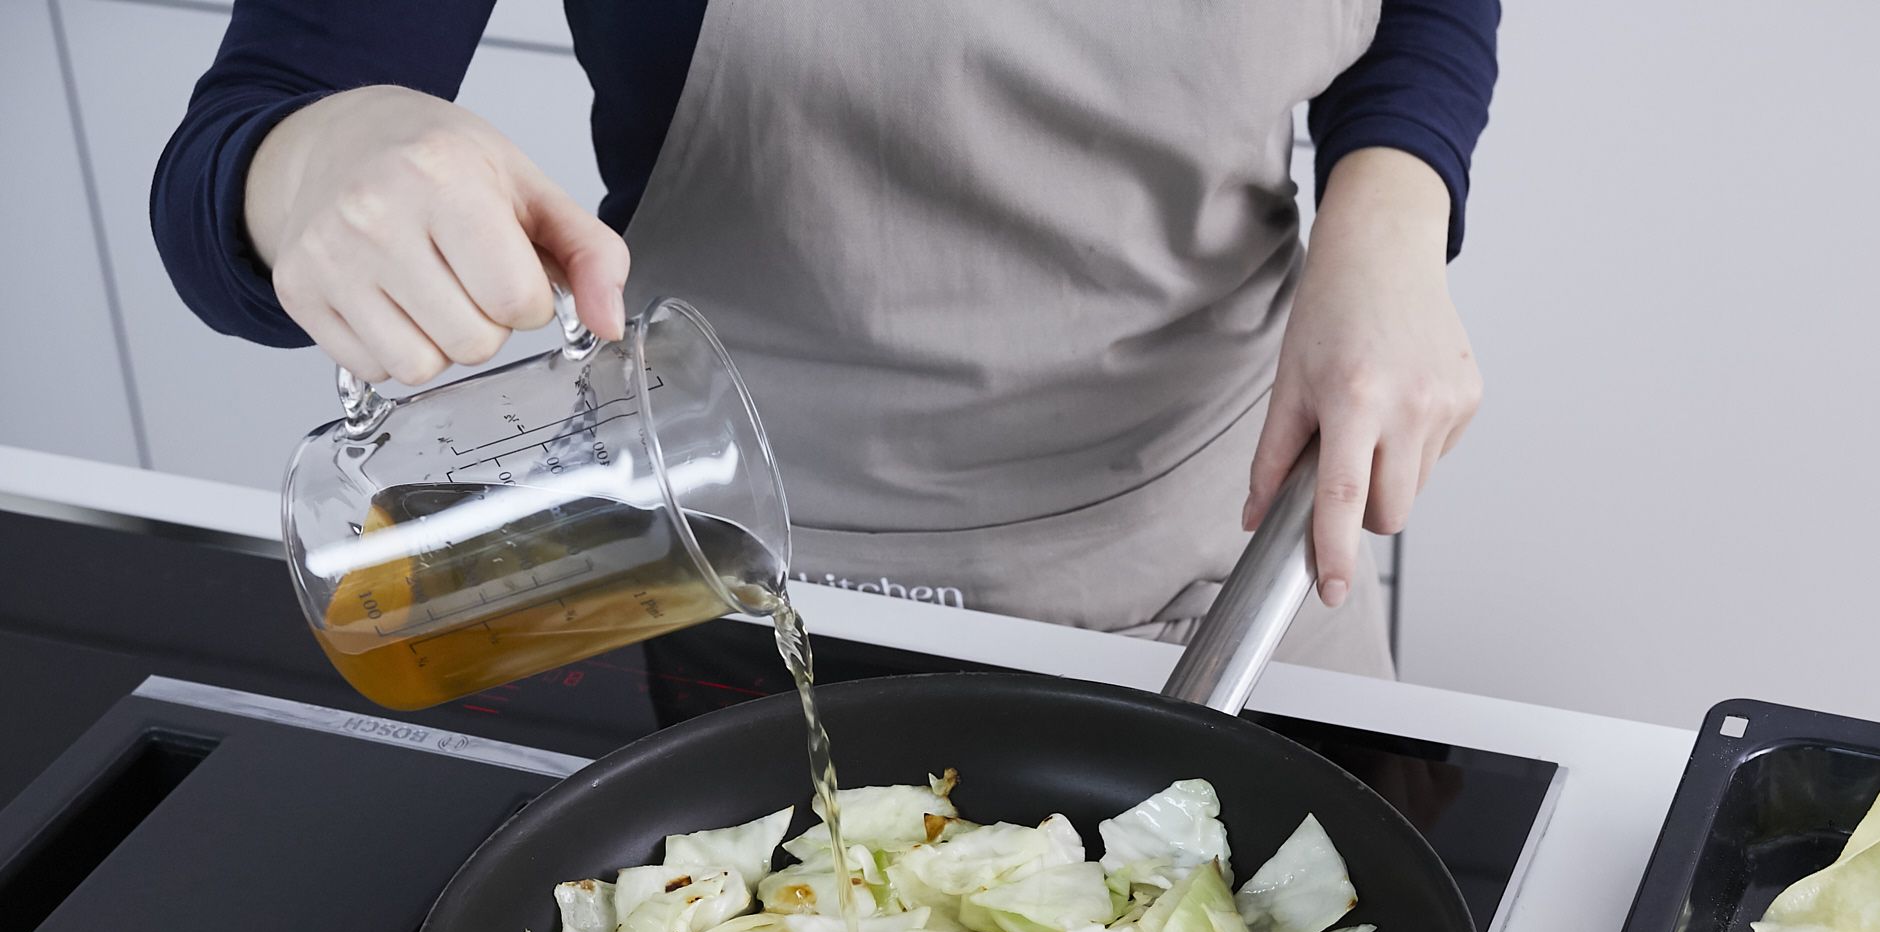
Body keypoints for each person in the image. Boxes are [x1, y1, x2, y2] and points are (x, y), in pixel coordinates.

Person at [155, 2, 1498, 677]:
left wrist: (1391, 208)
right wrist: (315, 157)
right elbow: (252, 128)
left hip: (1227, 540)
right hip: (701, 574)